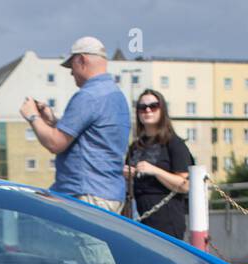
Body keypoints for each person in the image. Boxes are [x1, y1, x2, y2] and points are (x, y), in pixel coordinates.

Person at [19, 36, 129, 212]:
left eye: (72, 67)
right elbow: (93, 138)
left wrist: (33, 117)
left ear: (81, 60)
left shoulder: (88, 96)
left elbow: (55, 143)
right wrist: (53, 121)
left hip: (86, 194)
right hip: (110, 193)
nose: (71, 73)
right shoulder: (116, 95)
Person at [123, 89, 194, 239]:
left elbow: (185, 185)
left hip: (166, 218)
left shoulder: (174, 143)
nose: (147, 110)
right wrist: (126, 174)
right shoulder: (135, 146)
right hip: (138, 216)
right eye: (142, 107)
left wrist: (155, 171)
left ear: (162, 109)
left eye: (153, 106)